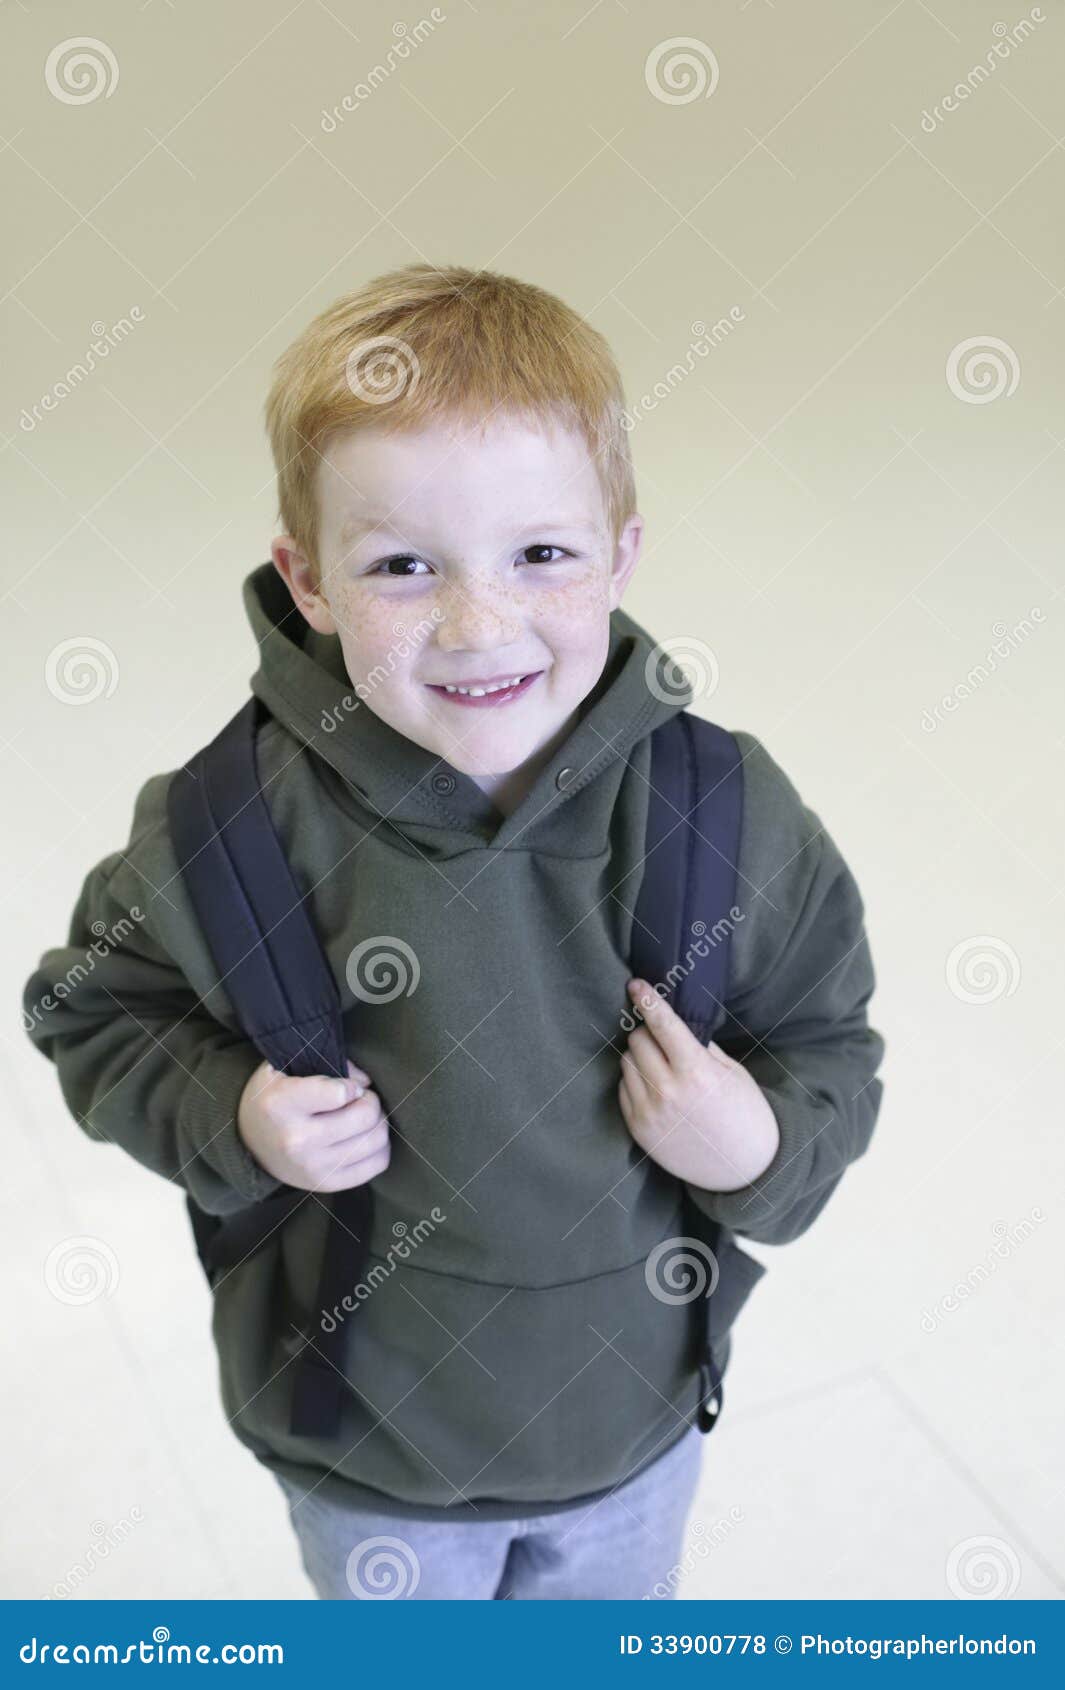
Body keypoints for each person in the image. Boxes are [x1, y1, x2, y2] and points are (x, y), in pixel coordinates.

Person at [21, 263, 885, 1600]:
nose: (479, 623)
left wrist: (755, 1142)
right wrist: (232, 1110)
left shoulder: (722, 811)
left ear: (622, 551)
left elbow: (824, 1038)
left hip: (628, 1432)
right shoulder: (227, 828)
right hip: (364, 1452)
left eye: (540, 552)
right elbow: (87, 1004)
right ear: (306, 578)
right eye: (402, 566)